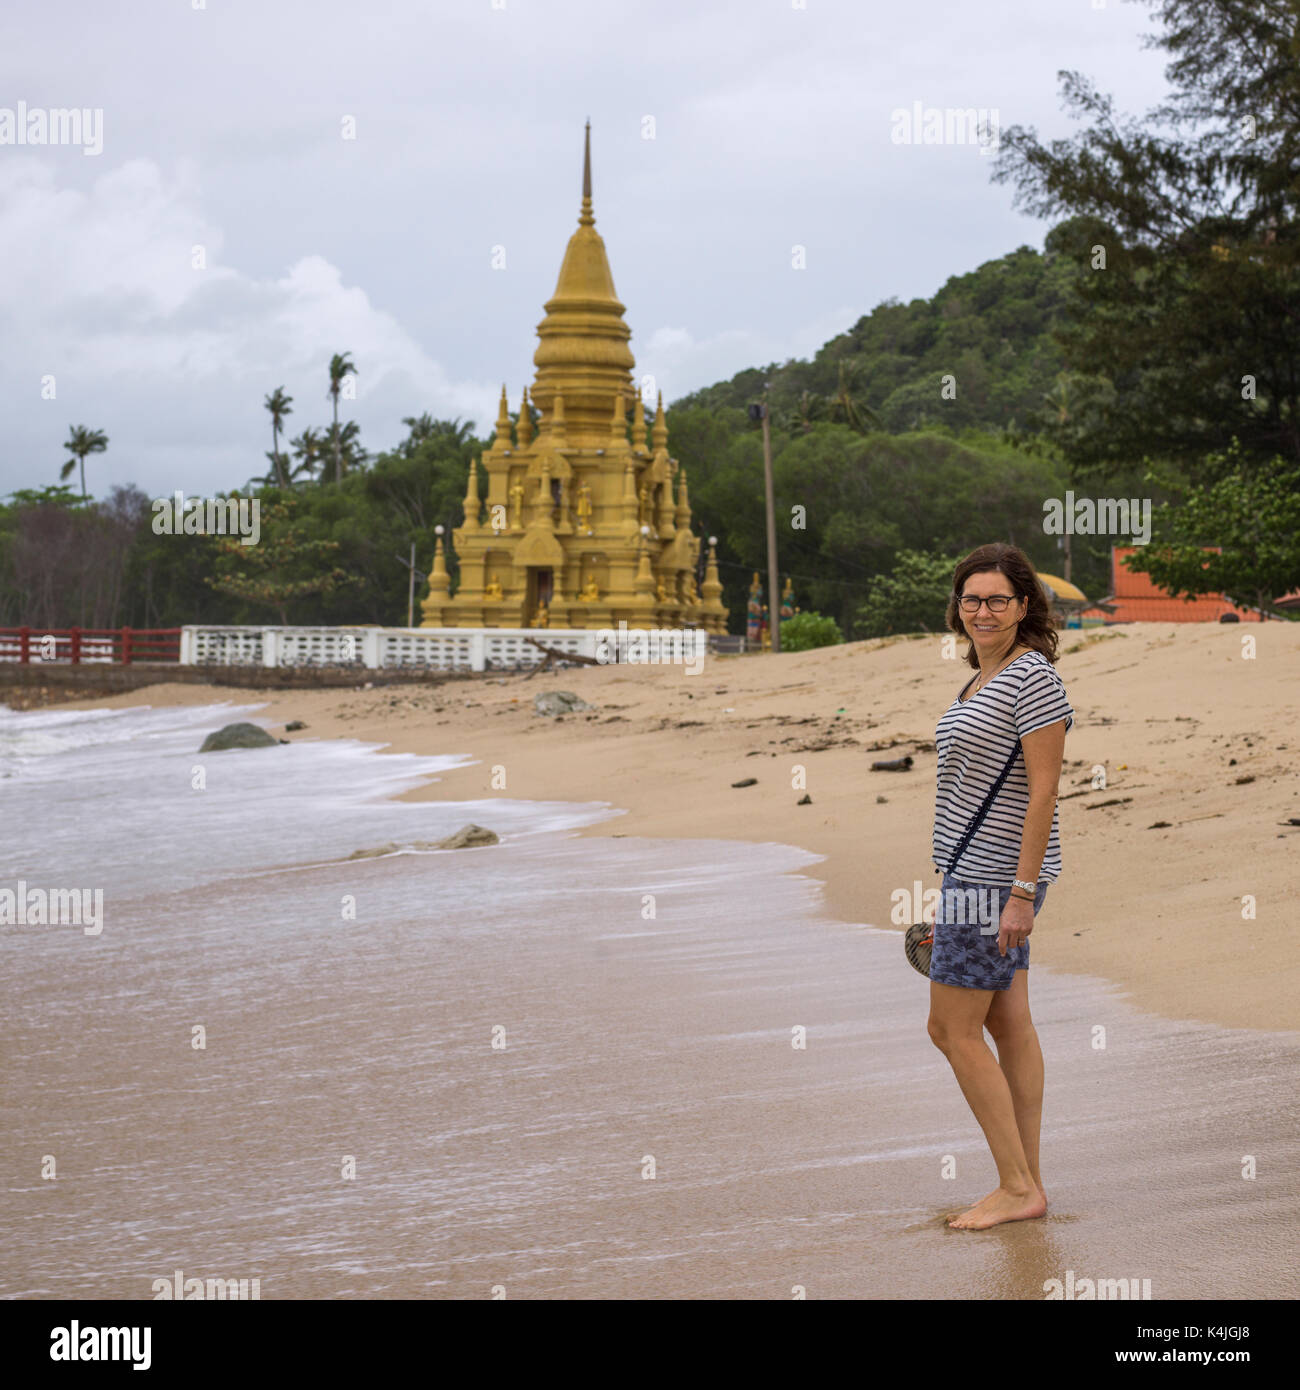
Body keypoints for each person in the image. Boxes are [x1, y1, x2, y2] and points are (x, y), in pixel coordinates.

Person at [926, 543, 1074, 1230]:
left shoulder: (1031, 677)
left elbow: (1044, 790)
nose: (982, 610)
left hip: (992, 882)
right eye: (971, 598)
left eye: (997, 600)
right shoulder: (979, 680)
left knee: (950, 1031)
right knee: (1006, 1023)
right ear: (958, 608)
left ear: (1024, 607)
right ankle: (1030, 1180)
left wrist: (1020, 891)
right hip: (973, 874)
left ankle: (1017, 1186)